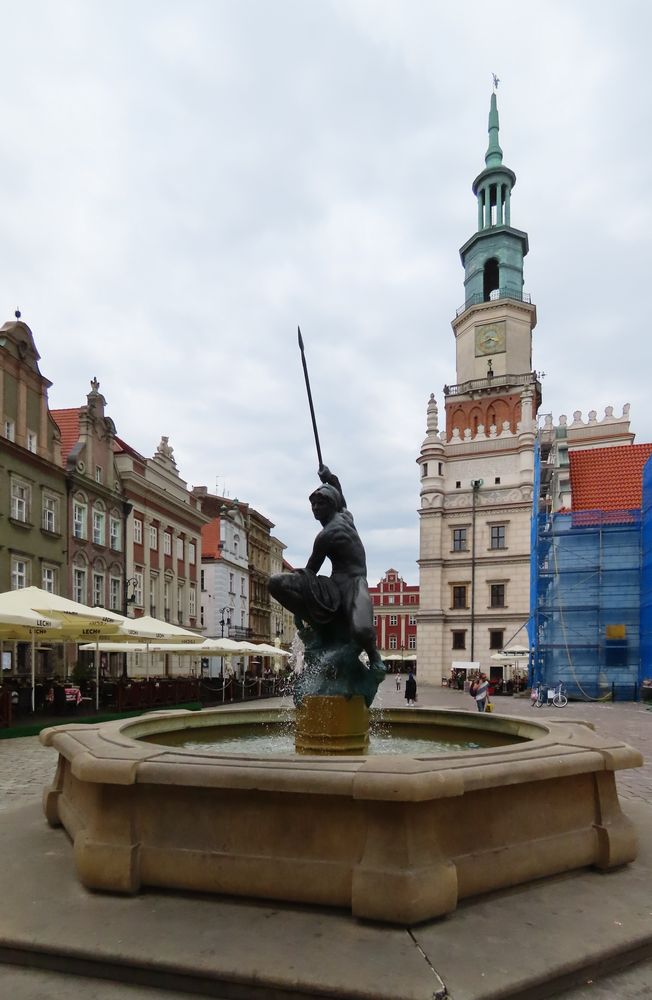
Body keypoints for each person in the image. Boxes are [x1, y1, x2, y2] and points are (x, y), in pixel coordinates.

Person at [268, 465, 384, 675]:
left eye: (319, 504)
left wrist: (299, 602)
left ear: (331, 505)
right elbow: (341, 497)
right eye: (312, 504)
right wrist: (330, 478)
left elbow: (311, 569)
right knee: (276, 582)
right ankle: (321, 628)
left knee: (362, 629)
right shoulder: (346, 516)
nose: (314, 508)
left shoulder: (329, 533)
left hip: (355, 583)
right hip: (335, 583)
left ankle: (374, 657)